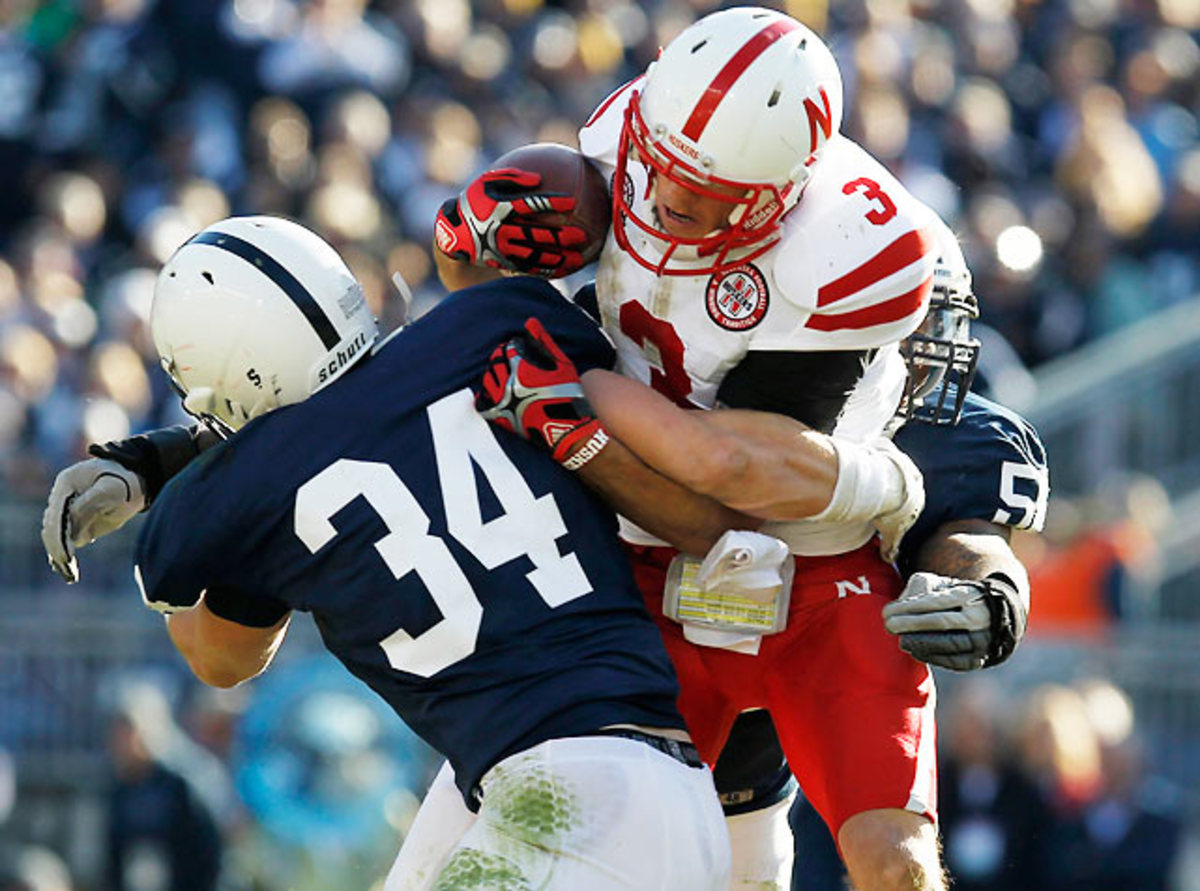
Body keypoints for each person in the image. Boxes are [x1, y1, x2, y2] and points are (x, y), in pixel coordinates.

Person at [434, 7, 954, 888]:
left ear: (783, 188)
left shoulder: (852, 245)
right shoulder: (625, 136)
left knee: (894, 863)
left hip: (814, 569)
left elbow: (730, 479)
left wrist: (568, 395)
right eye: (660, 166)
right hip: (639, 554)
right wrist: (464, 249)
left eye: (704, 190)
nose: (668, 198)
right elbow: (479, 313)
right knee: (524, 838)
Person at [60, 215, 735, 890]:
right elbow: (376, 416)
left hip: (561, 804)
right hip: (662, 784)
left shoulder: (249, 493)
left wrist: (171, 468)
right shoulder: (491, 322)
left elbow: (219, 655)